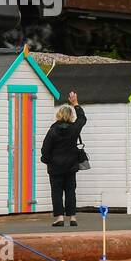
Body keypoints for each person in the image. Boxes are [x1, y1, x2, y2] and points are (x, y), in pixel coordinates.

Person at [40, 91, 86, 227]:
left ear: (59, 115)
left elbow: (45, 148)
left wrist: (46, 160)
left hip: (55, 167)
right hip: (71, 165)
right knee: (71, 191)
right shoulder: (74, 128)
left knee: (57, 192)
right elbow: (82, 119)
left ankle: (59, 218)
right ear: (71, 116)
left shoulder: (53, 130)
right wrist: (75, 103)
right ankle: (73, 218)